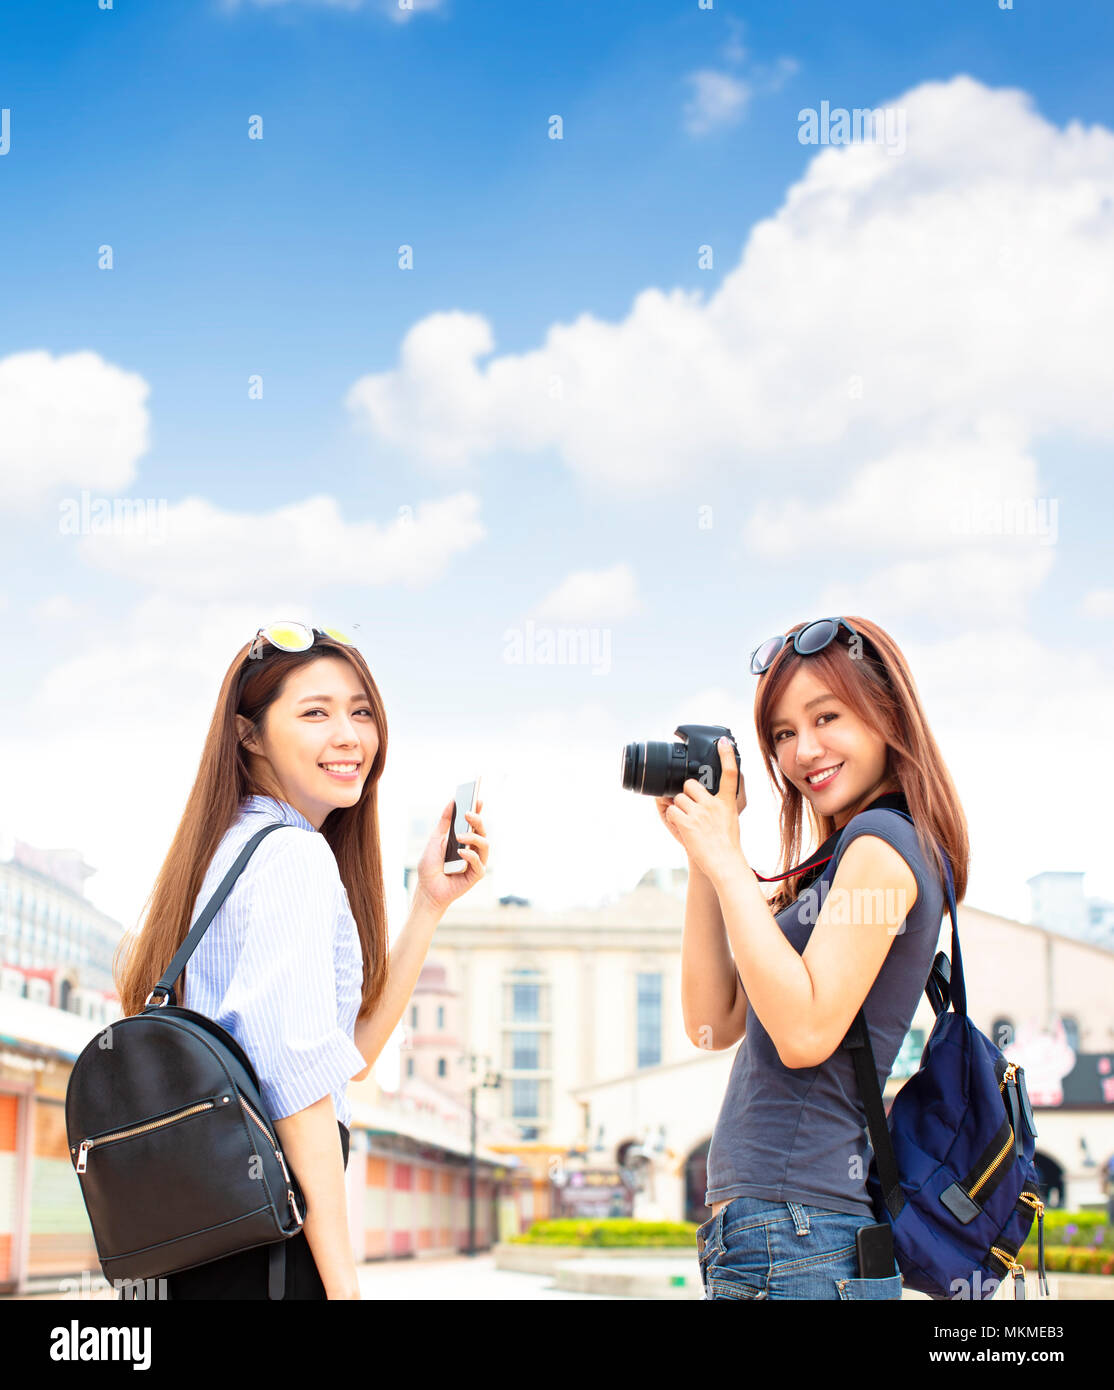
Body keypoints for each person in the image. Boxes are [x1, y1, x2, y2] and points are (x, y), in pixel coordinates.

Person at [112, 622, 488, 1299]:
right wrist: (344, 1289)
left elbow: (349, 1057)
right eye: (315, 712)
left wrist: (429, 905)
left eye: (361, 711)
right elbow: (303, 1102)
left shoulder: (222, 851)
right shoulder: (291, 857)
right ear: (248, 733)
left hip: (200, 1247)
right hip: (269, 1248)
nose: (350, 736)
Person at [658, 616, 968, 1301]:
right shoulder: (838, 862)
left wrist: (727, 858)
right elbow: (712, 1019)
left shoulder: (884, 847)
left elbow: (804, 1034)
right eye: (784, 734)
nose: (804, 751)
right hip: (781, 1234)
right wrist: (705, 856)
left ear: (887, 716)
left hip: (798, 1233)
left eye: (826, 717)